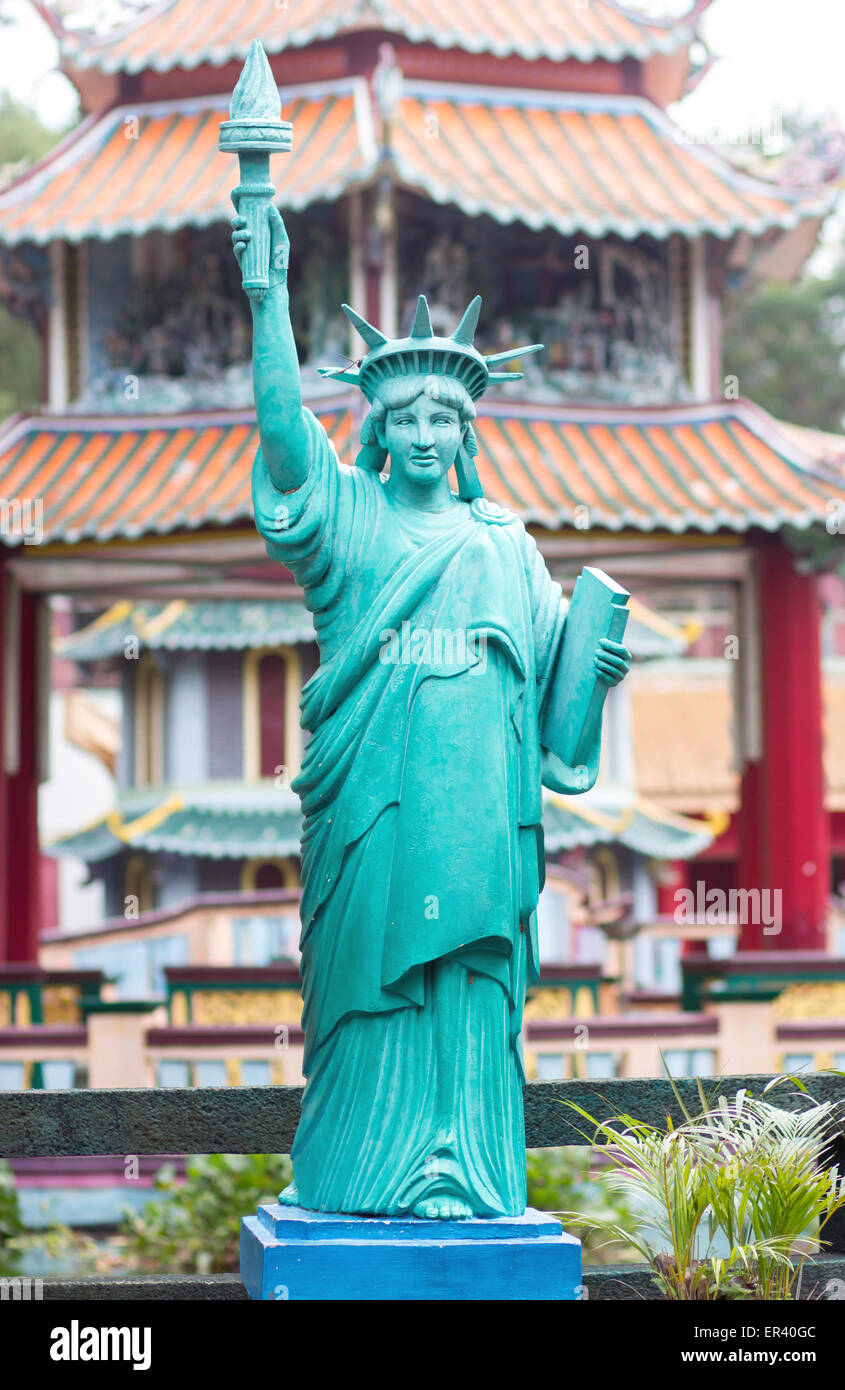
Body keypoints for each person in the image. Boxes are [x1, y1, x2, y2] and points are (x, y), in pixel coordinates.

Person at [231, 205, 630, 1219]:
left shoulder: (504, 543)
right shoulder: (350, 521)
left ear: (464, 434)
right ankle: (365, 1172)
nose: (420, 433)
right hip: (372, 813)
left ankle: (463, 1165)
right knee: (368, 989)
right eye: (402, 417)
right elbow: (284, 442)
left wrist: (591, 662)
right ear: (377, 429)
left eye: (440, 420)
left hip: (479, 822)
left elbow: (552, 700)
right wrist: (265, 296)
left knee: (466, 991)